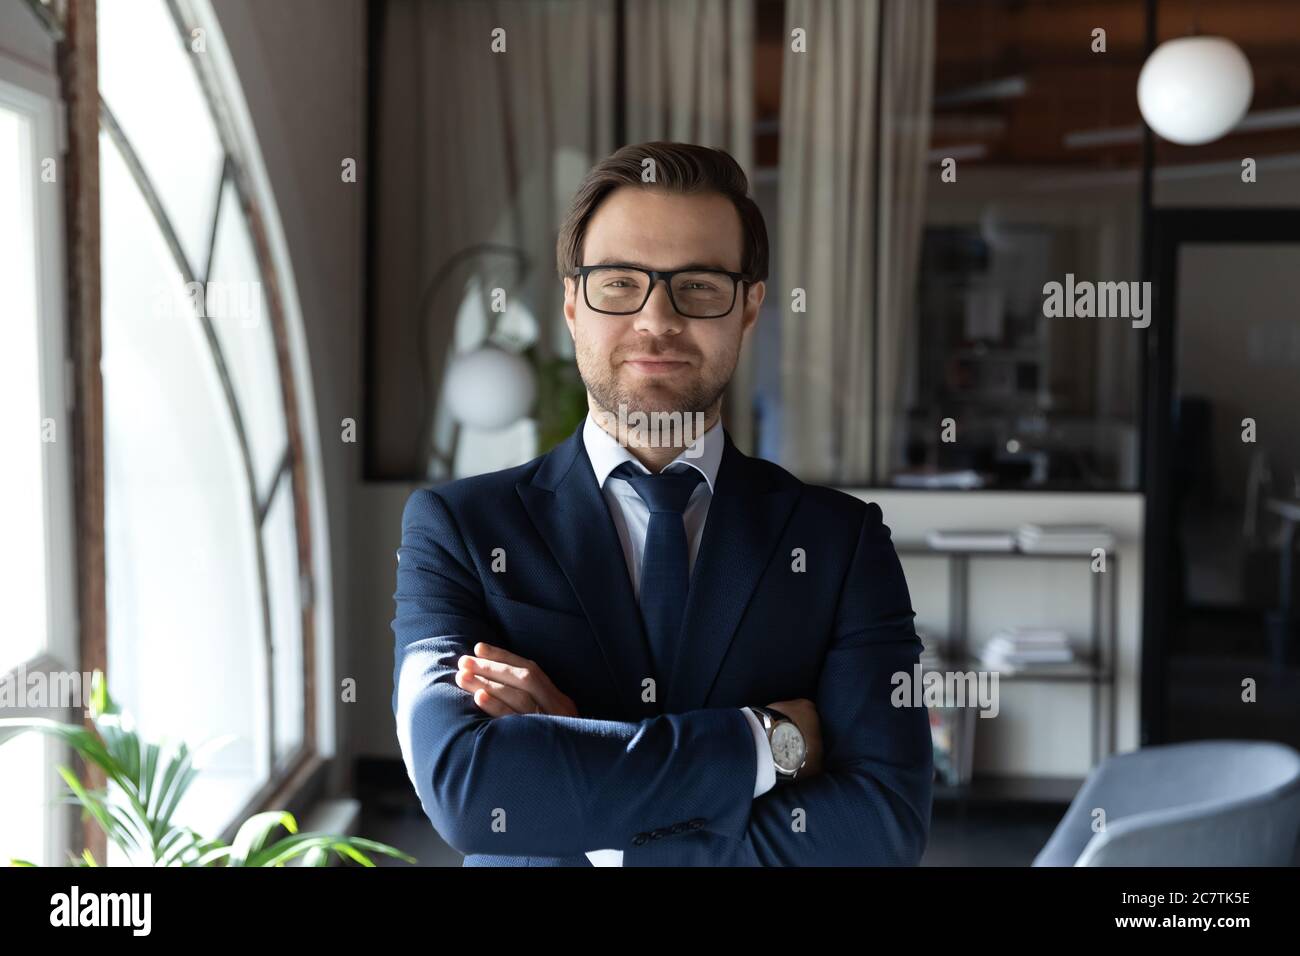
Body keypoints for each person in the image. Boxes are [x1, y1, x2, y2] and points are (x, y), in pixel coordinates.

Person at [392, 141, 932, 866]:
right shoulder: (457, 530)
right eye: (620, 283)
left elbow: (880, 828)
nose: (657, 320)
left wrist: (591, 806)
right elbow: (470, 791)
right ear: (571, 304)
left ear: (748, 307)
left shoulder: (842, 542)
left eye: (699, 285)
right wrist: (769, 740)